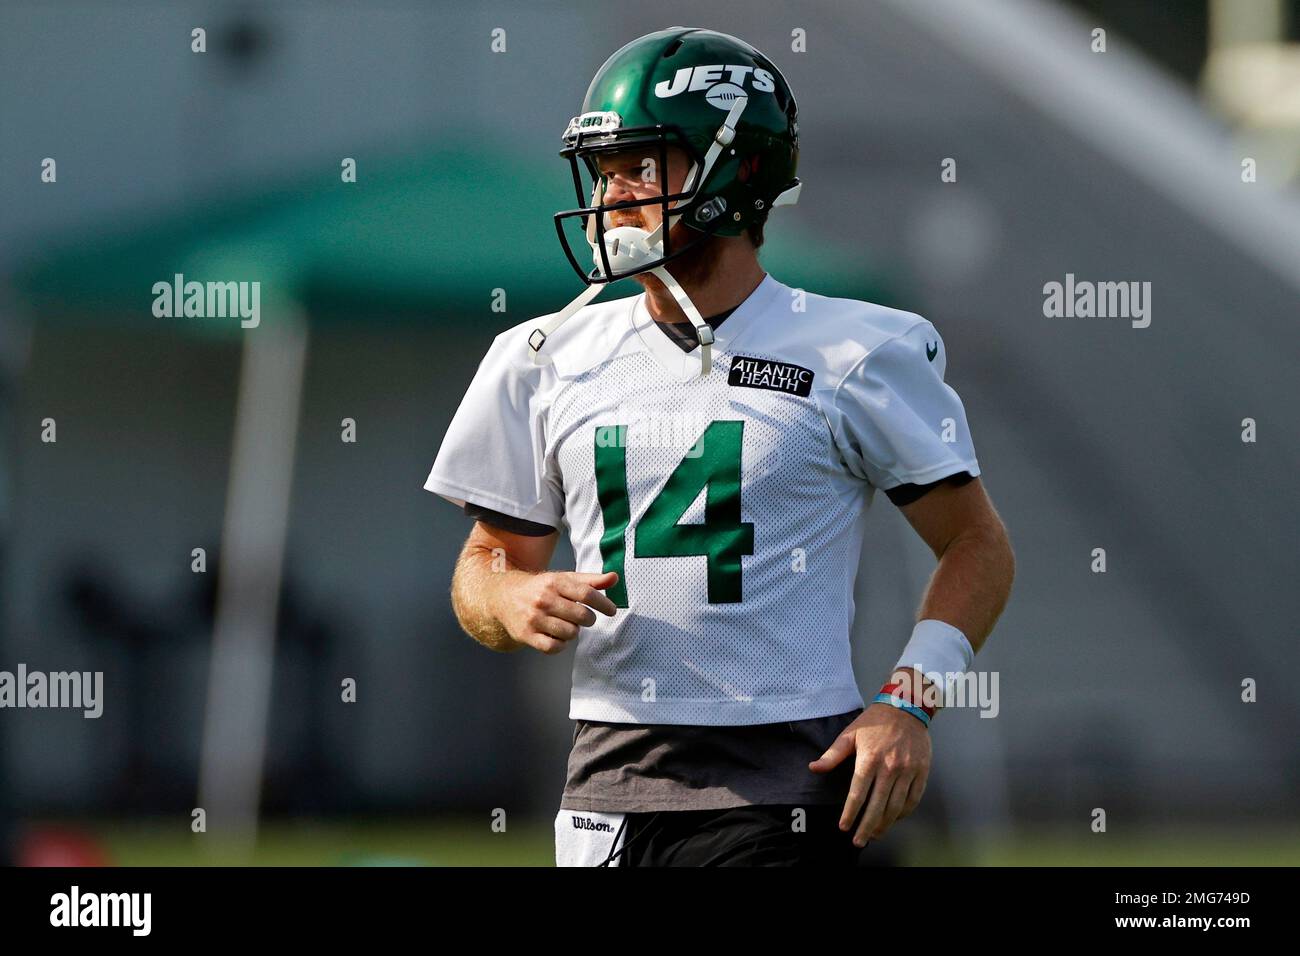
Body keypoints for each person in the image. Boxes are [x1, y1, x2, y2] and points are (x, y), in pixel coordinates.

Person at [425, 27, 1014, 866]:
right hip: (606, 784)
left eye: (639, 166)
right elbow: (484, 563)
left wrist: (909, 700)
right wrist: (509, 601)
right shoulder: (543, 357)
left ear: (735, 173)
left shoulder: (852, 352)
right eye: (603, 171)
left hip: (783, 781)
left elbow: (977, 543)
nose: (611, 196)